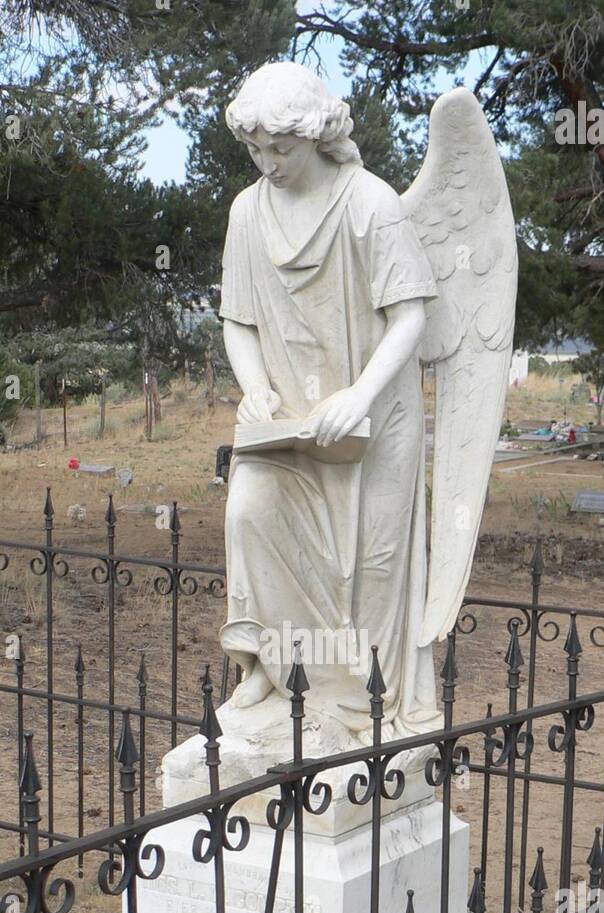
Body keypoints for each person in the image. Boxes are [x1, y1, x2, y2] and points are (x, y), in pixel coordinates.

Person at [218, 62, 440, 738]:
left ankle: (363, 705)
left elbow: (410, 316)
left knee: (371, 566)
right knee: (249, 512)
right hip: (288, 421)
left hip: (374, 416)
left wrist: (359, 394)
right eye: (255, 151)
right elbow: (238, 320)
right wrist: (255, 385)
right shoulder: (248, 211)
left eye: (279, 148)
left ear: (314, 135)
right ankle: (273, 669)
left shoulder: (370, 202)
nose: (268, 163)